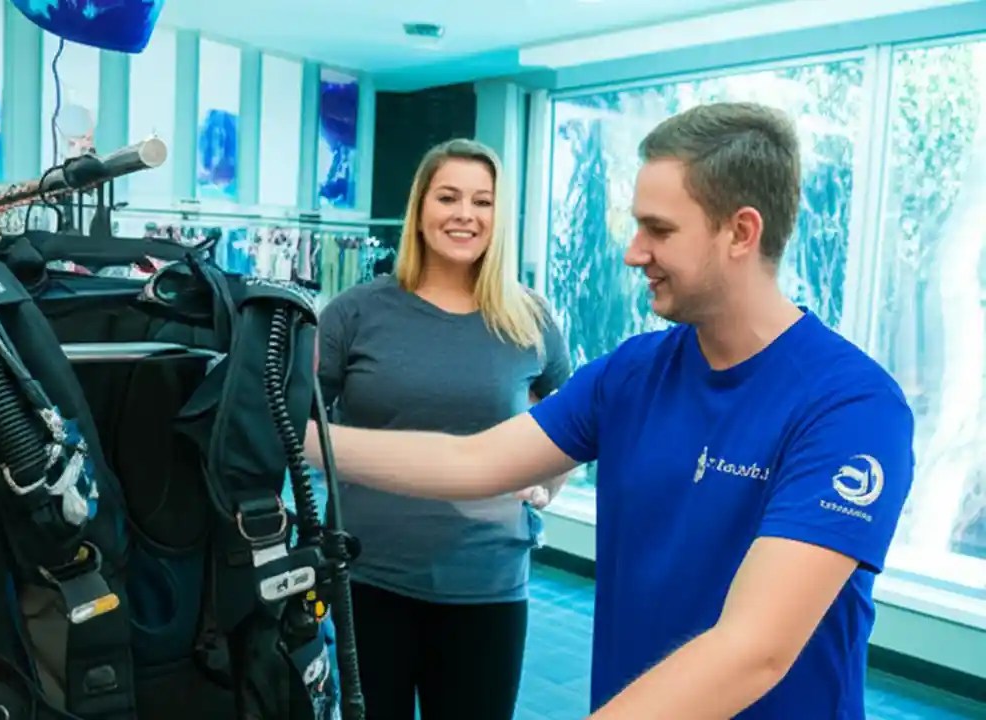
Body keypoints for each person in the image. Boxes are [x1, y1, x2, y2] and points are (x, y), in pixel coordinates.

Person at [308, 103, 915, 719]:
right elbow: (472, 460)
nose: (633, 252)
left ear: (741, 232)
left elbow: (752, 649)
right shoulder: (633, 373)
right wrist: (292, 434)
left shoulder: (852, 408)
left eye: (659, 230)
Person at [316, 138, 571, 719]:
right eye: (448, 197)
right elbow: (293, 427)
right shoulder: (355, 313)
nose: (465, 214)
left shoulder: (529, 316)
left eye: (482, 201)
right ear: (420, 208)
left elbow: (571, 423)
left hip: (488, 581)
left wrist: (552, 478)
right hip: (368, 575)